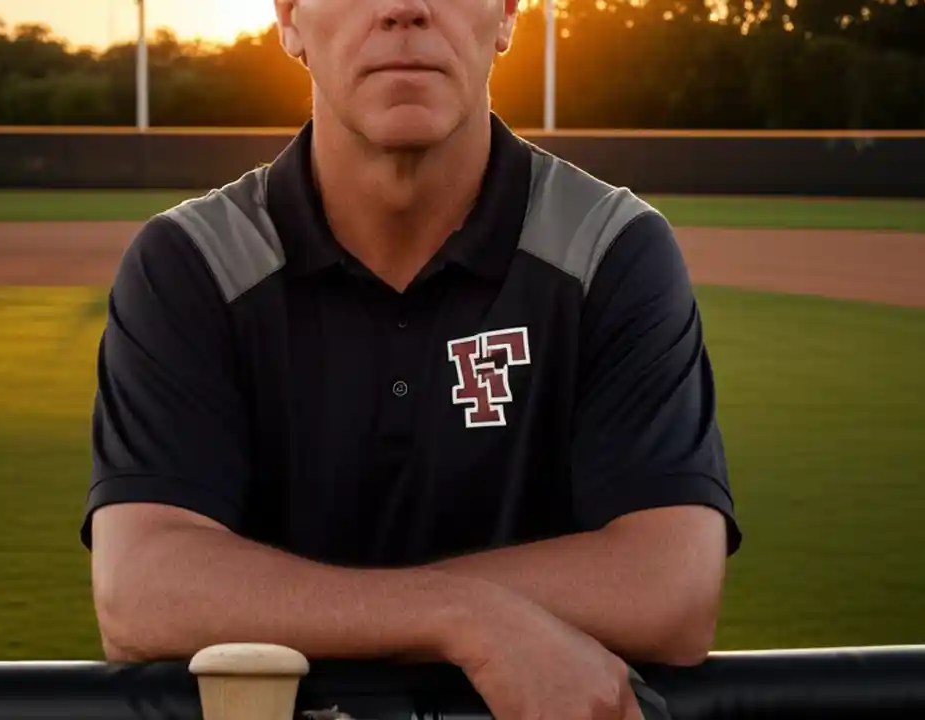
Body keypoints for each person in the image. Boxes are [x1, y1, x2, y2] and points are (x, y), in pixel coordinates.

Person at [82, 1, 740, 718]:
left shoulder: (608, 250)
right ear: (290, 18)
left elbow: (668, 587)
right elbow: (143, 590)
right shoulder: (194, 264)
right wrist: (466, 620)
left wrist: (323, 607)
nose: (404, 8)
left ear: (507, 15)